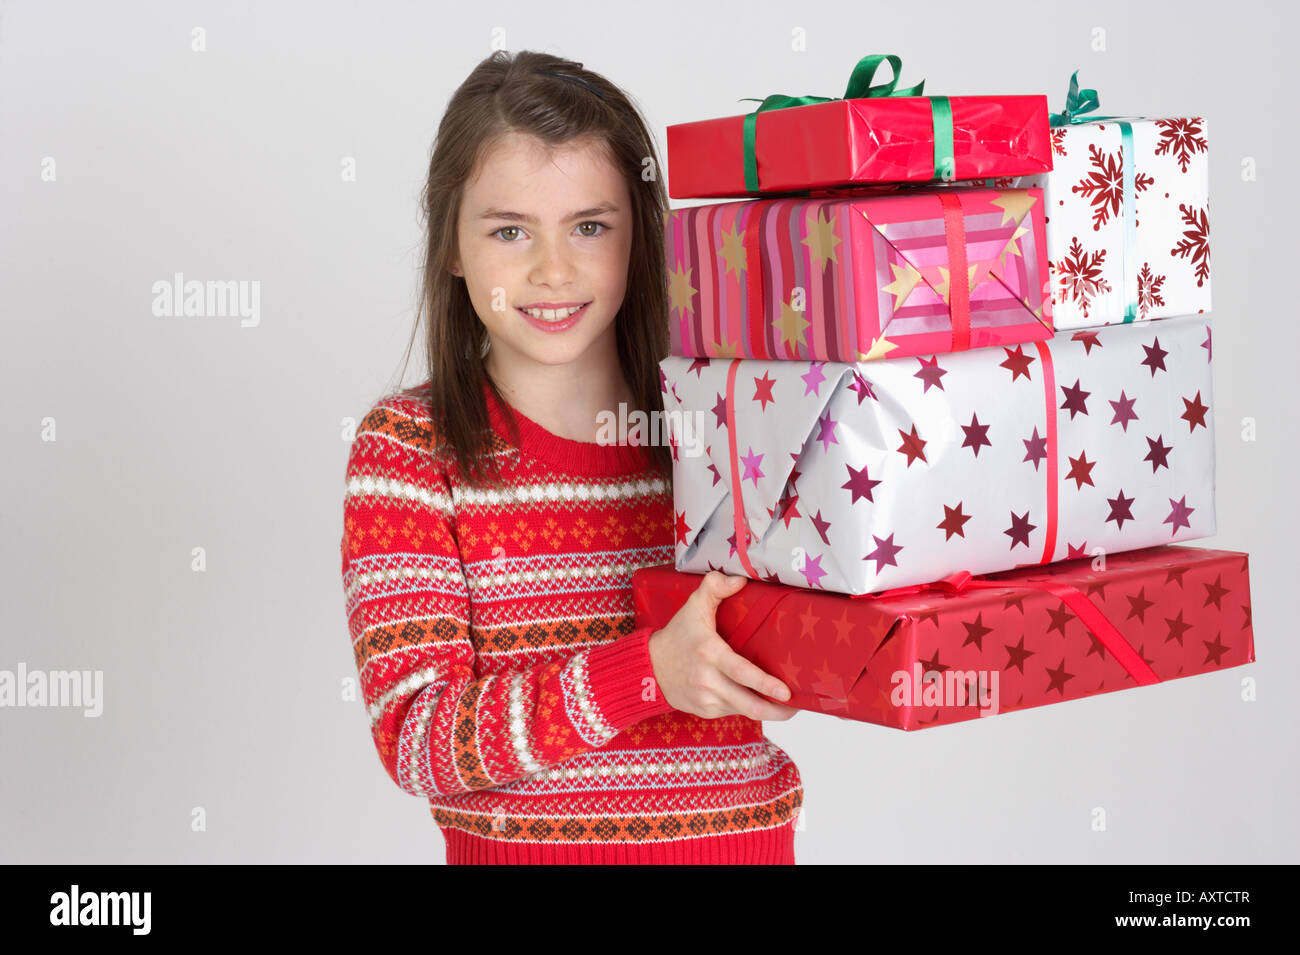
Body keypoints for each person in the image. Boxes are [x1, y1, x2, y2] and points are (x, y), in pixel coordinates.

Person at [340, 49, 804, 865]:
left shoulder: (722, 421)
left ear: (639, 237)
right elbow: (417, 737)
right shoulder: (410, 450)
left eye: (590, 226)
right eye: (511, 230)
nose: (553, 270)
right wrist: (646, 672)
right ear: (452, 246)